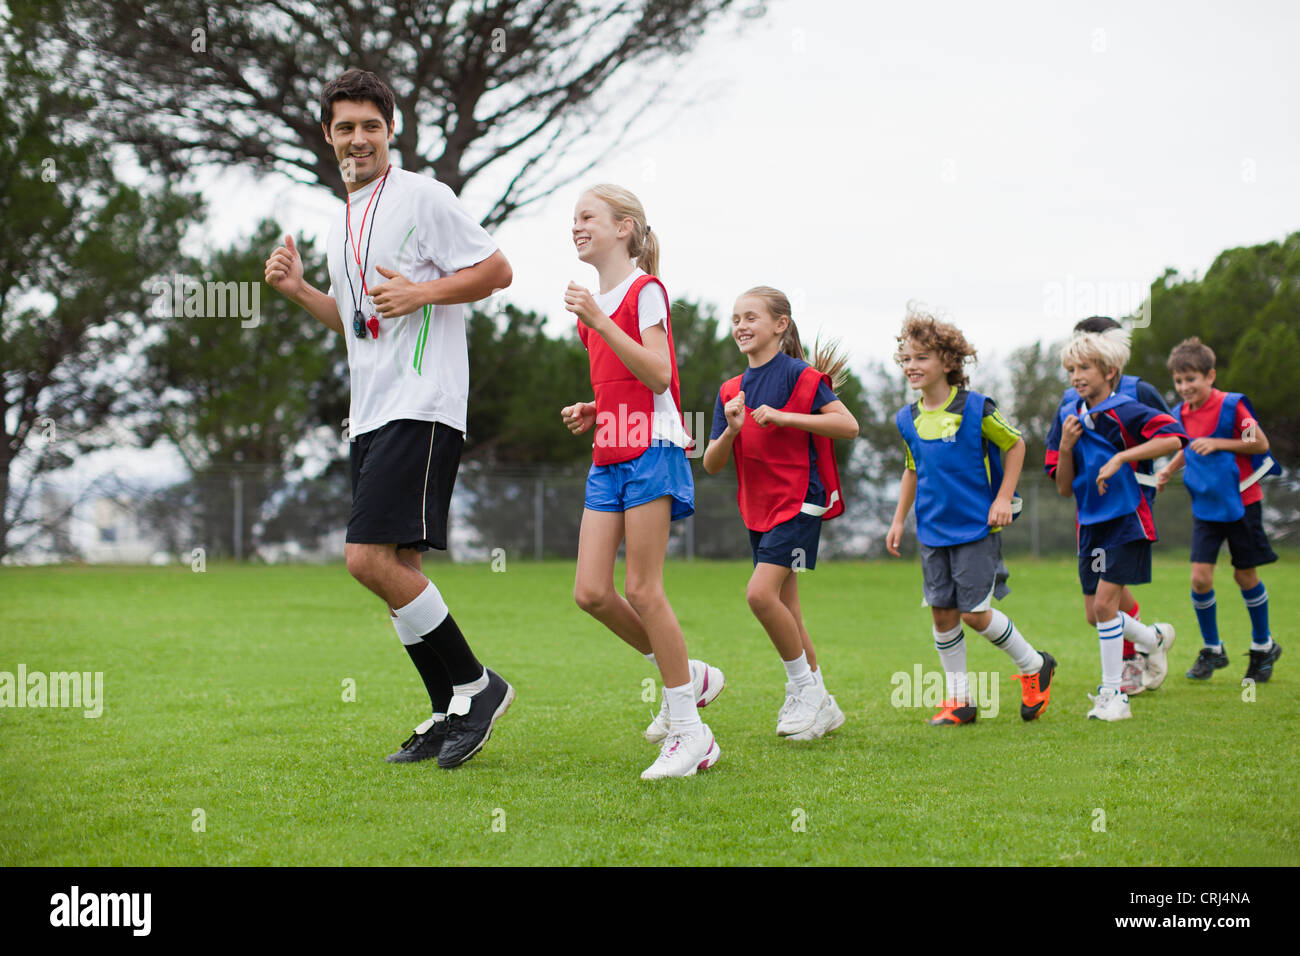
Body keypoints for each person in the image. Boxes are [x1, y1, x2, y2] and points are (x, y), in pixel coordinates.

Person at [264, 69, 515, 768]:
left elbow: (499, 271)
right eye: (345, 126)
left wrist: (425, 291)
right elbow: (358, 324)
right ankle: (444, 710)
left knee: (365, 558)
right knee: (394, 567)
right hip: (369, 414)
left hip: (423, 403)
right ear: (327, 135)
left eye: (371, 125)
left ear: (391, 130)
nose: (358, 138)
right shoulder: (343, 215)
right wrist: (299, 290)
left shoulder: (423, 196)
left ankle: (477, 686)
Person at [560, 184, 723, 780]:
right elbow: (622, 386)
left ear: (624, 228)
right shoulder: (594, 311)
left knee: (644, 590)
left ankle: (690, 733)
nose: (576, 227)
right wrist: (593, 408)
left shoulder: (643, 291)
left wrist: (600, 319)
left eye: (587, 218)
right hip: (610, 451)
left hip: (653, 451)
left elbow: (658, 372)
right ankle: (692, 675)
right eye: (572, 219)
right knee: (592, 593)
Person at [887, 310, 1057, 726]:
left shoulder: (976, 407)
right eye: (906, 358)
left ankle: (1034, 665)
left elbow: (1015, 445)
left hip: (975, 529)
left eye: (921, 357)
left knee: (974, 613)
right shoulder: (907, 420)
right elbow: (913, 469)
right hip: (931, 532)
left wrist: (1003, 498)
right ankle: (959, 702)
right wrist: (897, 520)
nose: (912, 366)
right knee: (942, 614)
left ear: (947, 362)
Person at [701, 287, 857, 740]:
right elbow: (711, 464)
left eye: (751, 317)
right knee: (788, 608)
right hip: (757, 508)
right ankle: (822, 704)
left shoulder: (802, 377)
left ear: (780, 325)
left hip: (798, 502)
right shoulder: (731, 390)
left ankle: (802, 689)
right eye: (735, 319)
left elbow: (848, 425)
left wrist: (788, 417)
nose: (741, 326)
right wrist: (731, 430)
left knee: (759, 596)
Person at [1045, 327, 1186, 720]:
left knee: (1106, 606)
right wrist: (1068, 447)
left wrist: (1123, 458)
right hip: (1090, 526)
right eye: (1071, 369)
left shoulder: (1125, 408)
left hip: (1126, 519)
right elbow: (1061, 487)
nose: (1076, 376)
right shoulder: (1067, 413)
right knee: (1095, 614)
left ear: (1109, 371)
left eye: (1084, 367)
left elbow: (1175, 438)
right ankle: (1154, 638)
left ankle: (1114, 697)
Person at [1155, 337, 1282, 685]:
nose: (1184, 387)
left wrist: (1219, 442)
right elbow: (1188, 446)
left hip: (1242, 501)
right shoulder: (1181, 413)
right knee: (1199, 578)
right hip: (1206, 506)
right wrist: (1168, 469)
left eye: (1191, 379)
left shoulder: (1231, 406)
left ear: (1210, 375)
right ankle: (1213, 649)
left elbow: (1259, 443)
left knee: (1244, 575)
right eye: (1179, 381)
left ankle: (1263, 646)